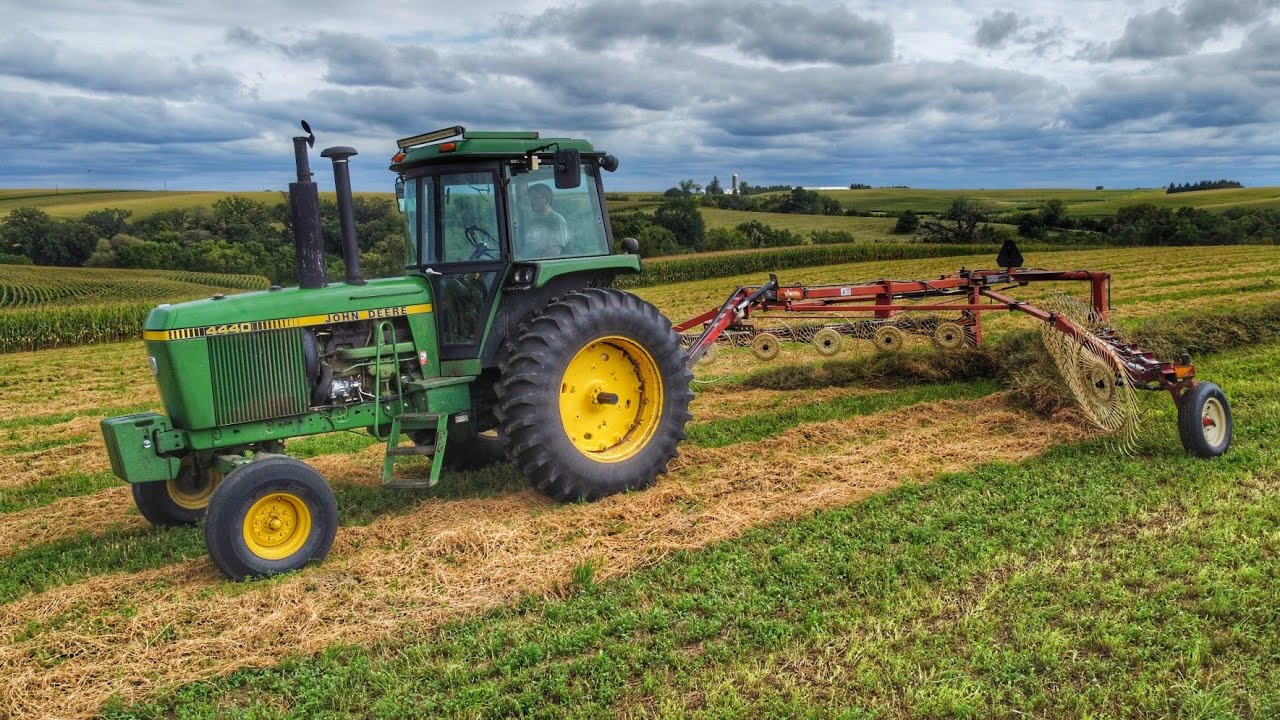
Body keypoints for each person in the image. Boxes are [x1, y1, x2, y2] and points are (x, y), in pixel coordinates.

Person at [523, 183, 570, 257]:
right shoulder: (532, 221)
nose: (531, 202)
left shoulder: (556, 220)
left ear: (546, 198)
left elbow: (555, 251)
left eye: (535, 198)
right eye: (530, 199)